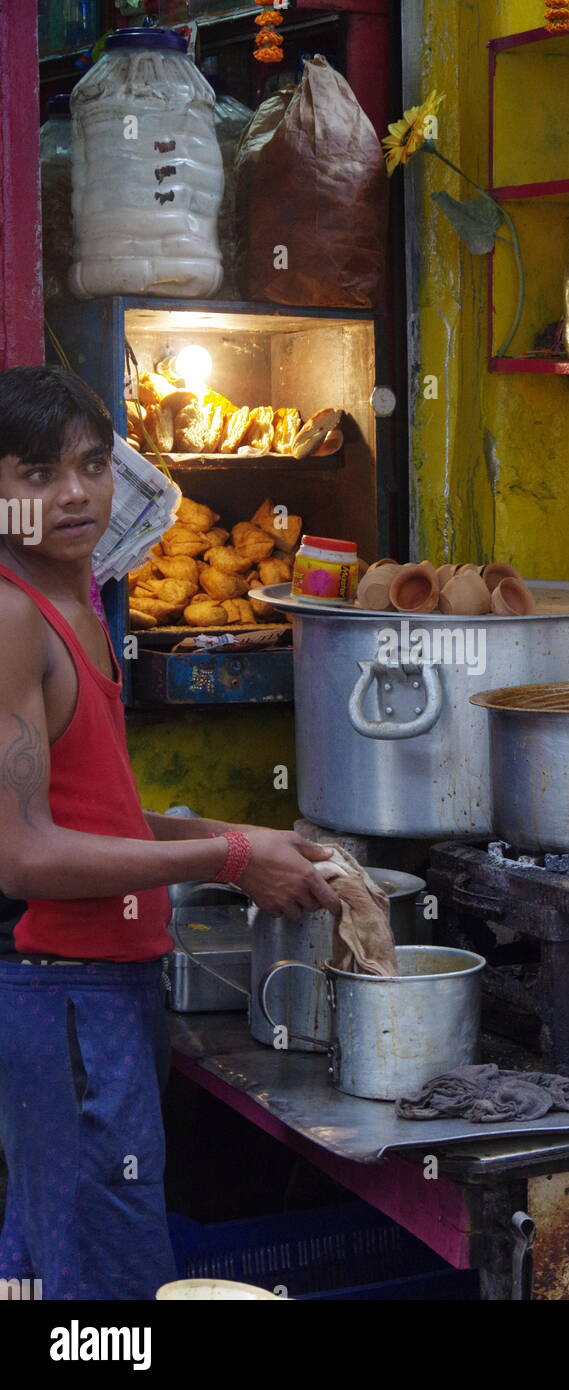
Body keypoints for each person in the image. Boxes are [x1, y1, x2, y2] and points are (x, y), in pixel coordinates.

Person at [0, 365, 340, 1300]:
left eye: (86, 466)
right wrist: (234, 857)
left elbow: (84, 813)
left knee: (40, 1273)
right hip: (57, 993)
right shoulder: (11, 619)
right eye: (33, 475)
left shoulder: (78, 603)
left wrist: (249, 832)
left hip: (101, 990)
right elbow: (22, 853)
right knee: (108, 1294)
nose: (70, 494)